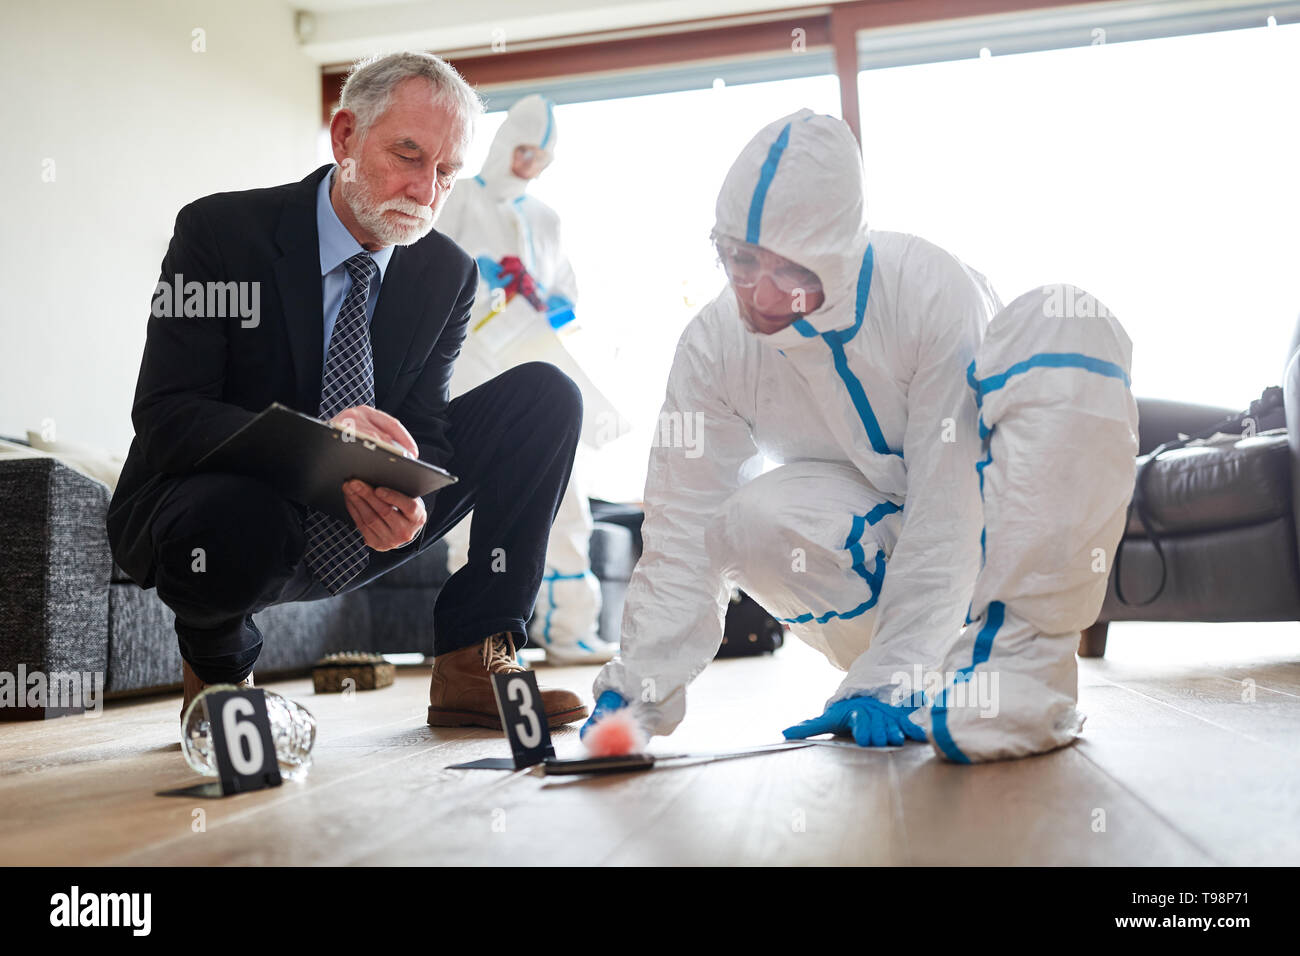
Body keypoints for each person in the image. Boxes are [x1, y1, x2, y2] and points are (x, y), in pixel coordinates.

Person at [583, 109, 1138, 763]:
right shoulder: (712, 344)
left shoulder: (927, 289)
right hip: (874, 576)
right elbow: (681, 530)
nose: (758, 294)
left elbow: (948, 506)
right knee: (751, 517)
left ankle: (1018, 672)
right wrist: (638, 691)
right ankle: (914, 682)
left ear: (839, 254)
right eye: (739, 260)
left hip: (994, 549)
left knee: (1065, 318)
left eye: (789, 270)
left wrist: (892, 673)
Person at [106, 52, 589, 734]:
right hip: (232, 511)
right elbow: (167, 419)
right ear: (344, 138)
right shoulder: (219, 234)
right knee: (237, 509)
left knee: (546, 396)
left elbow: (422, 420)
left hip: (361, 522)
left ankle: (473, 660)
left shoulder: (445, 272)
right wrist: (320, 443)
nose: (426, 191)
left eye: (446, 173)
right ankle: (220, 674)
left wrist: (408, 484)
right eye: (408, 155)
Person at [436, 94, 621, 665]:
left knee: (564, 494)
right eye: (522, 150)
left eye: (542, 157)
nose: (529, 164)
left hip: (536, 362)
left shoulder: (547, 219)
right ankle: (470, 641)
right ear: (501, 143)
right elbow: (428, 267)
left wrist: (544, 297)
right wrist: (481, 275)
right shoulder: (461, 198)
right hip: (469, 363)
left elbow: (567, 296)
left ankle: (572, 632)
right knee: (468, 498)